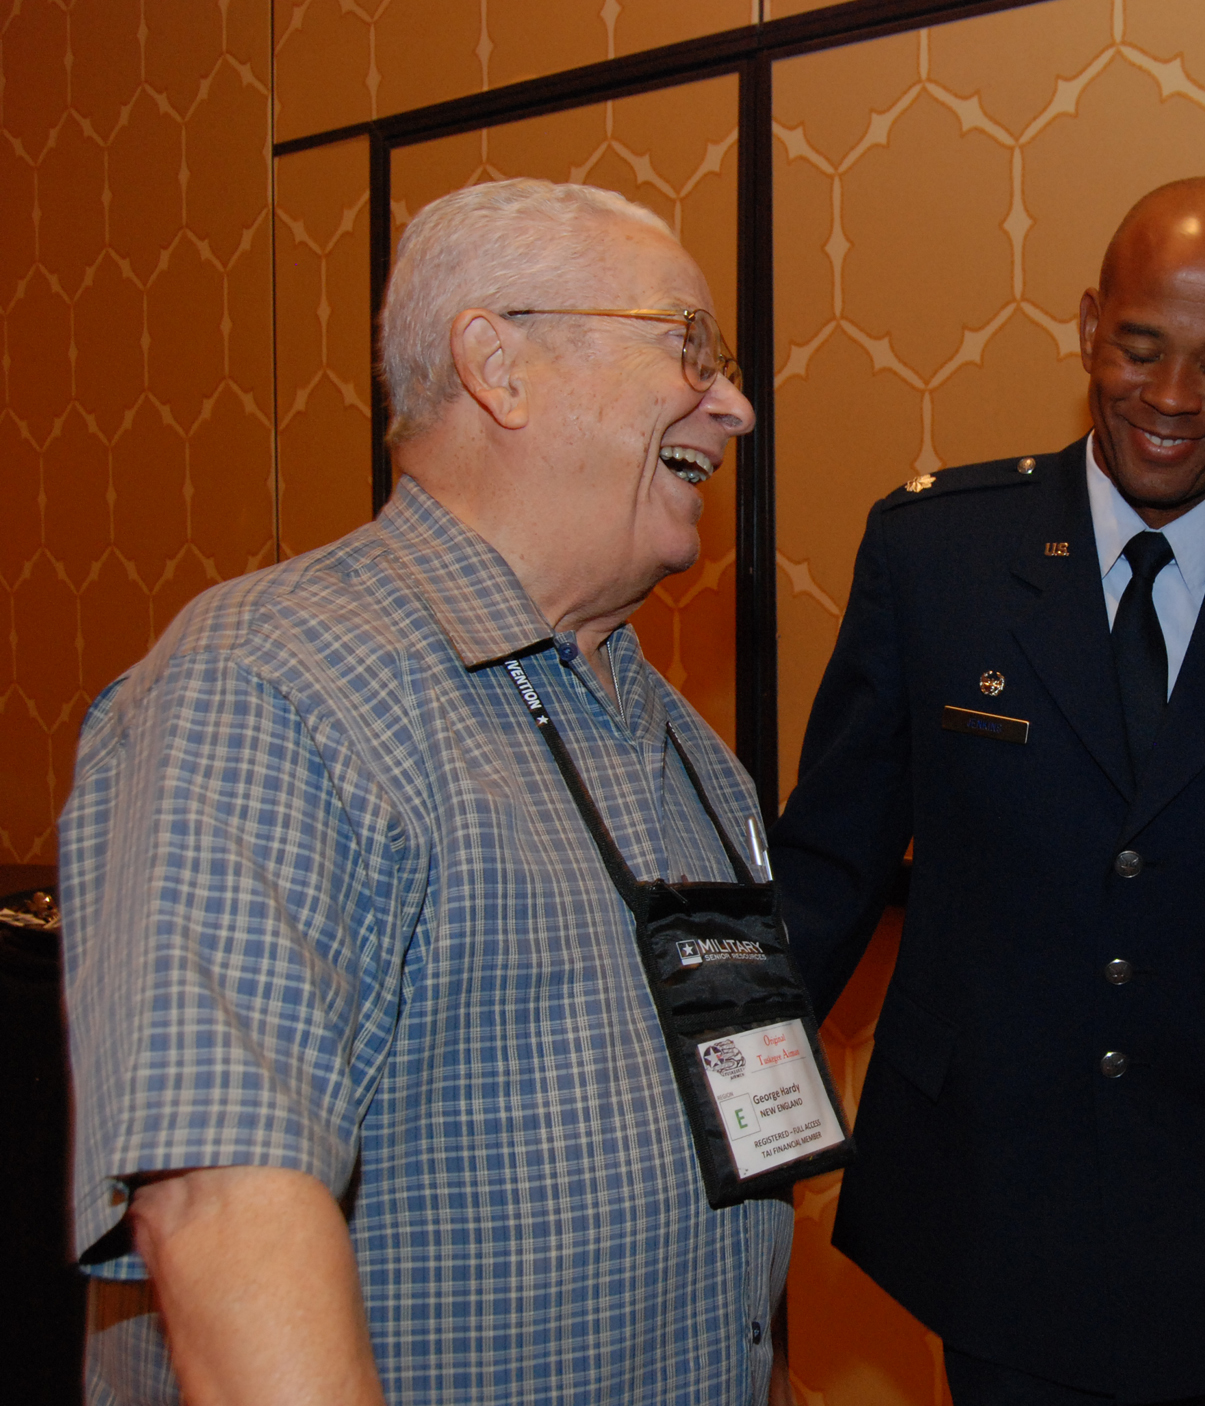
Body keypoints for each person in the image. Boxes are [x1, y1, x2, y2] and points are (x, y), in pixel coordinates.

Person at [62, 179, 787, 1404]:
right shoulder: (274, 683)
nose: (735, 403)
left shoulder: (690, 754)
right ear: (496, 364)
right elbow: (222, 1205)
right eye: (689, 348)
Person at [771, 177, 1205, 1404]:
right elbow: (830, 865)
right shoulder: (938, 557)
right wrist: (711, 1109)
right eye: (1139, 348)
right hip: (996, 1211)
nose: (1171, 399)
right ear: (1089, 324)